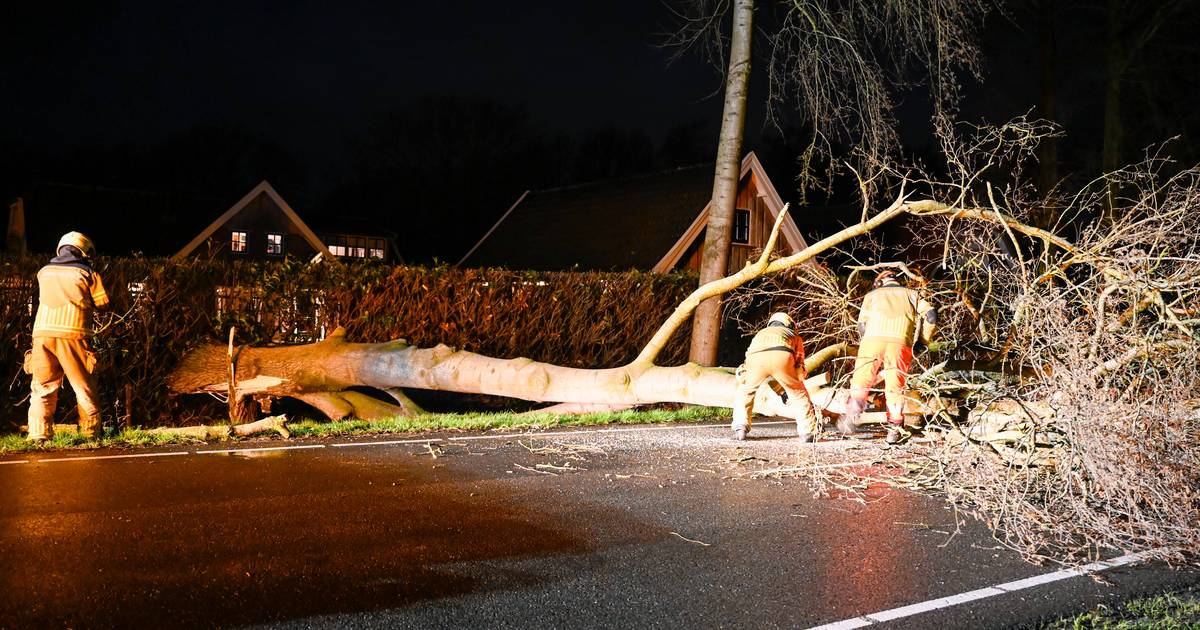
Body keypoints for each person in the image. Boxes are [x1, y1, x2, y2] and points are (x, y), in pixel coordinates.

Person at [26, 231, 110, 443]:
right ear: (84, 251)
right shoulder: (88, 273)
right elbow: (103, 304)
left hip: (42, 334)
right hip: (74, 334)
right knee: (83, 385)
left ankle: (38, 434)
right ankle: (90, 434)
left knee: (42, 387)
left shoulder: (44, 272)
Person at [837, 269, 937, 444]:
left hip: (872, 340)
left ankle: (852, 414)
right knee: (895, 387)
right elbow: (931, 316)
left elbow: (862, 325)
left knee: (862, 379)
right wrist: (923, 341)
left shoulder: (872, 295)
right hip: (900, 342)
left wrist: (868, 343)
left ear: (879, 282)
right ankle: (895, 430)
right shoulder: (912, 294)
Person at [731, 312, 821, 442]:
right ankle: (808, 432)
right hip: (782, 355)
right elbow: (799, 362)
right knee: (798, 394)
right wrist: (798, 377)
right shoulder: (793, 335)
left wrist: (745, 373)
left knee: (745, 391)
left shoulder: (760, 334)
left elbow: (749, 354)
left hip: (756, 358)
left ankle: (741, 427)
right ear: (789, 324)